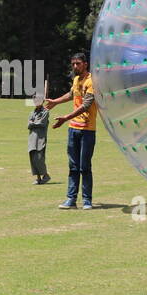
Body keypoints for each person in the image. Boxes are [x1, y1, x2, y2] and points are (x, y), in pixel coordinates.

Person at [45, 52, 98, 209]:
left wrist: (65, 117)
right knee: (73, 166)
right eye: (73, 63)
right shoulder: (76, 79)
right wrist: (55, 101)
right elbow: (71, 94)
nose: (75, 66)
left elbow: (87, 104)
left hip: (87, 129)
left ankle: (87, 200)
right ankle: (71, 199)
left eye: (78, 63)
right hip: (73, 129)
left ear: (85, 64)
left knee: (85, 167)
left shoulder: (91, 81)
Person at [27, 97, 50, 184]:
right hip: (32, 137)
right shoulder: (32, 112)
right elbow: (28, 125)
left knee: (39, 158)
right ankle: (38, 178)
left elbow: (42, 123)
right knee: (33, 157)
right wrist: (33, 123)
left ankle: (45, 175)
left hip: (40, 138)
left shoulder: (45, 112)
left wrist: (33, 123)